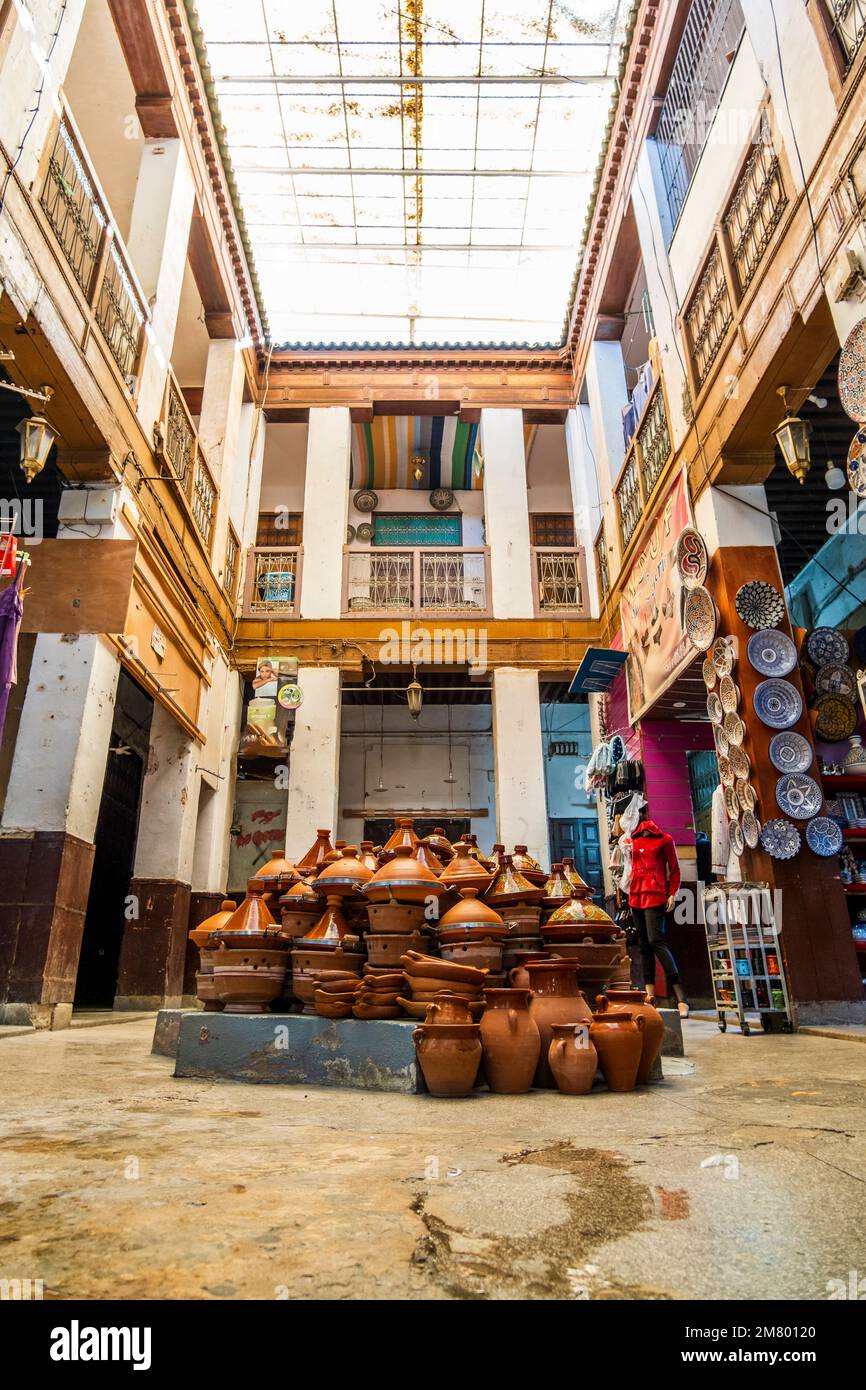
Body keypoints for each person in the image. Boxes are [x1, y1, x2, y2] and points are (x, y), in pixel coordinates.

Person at [626, 812, 689, 1018]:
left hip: (655, 895)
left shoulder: (665, 840)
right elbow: (628, 868)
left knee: (656, 941)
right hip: (635, 896)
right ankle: (649, 997)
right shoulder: (630, 840)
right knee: (644, 945)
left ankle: (681, 998)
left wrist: (673, 893)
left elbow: (675, 870)